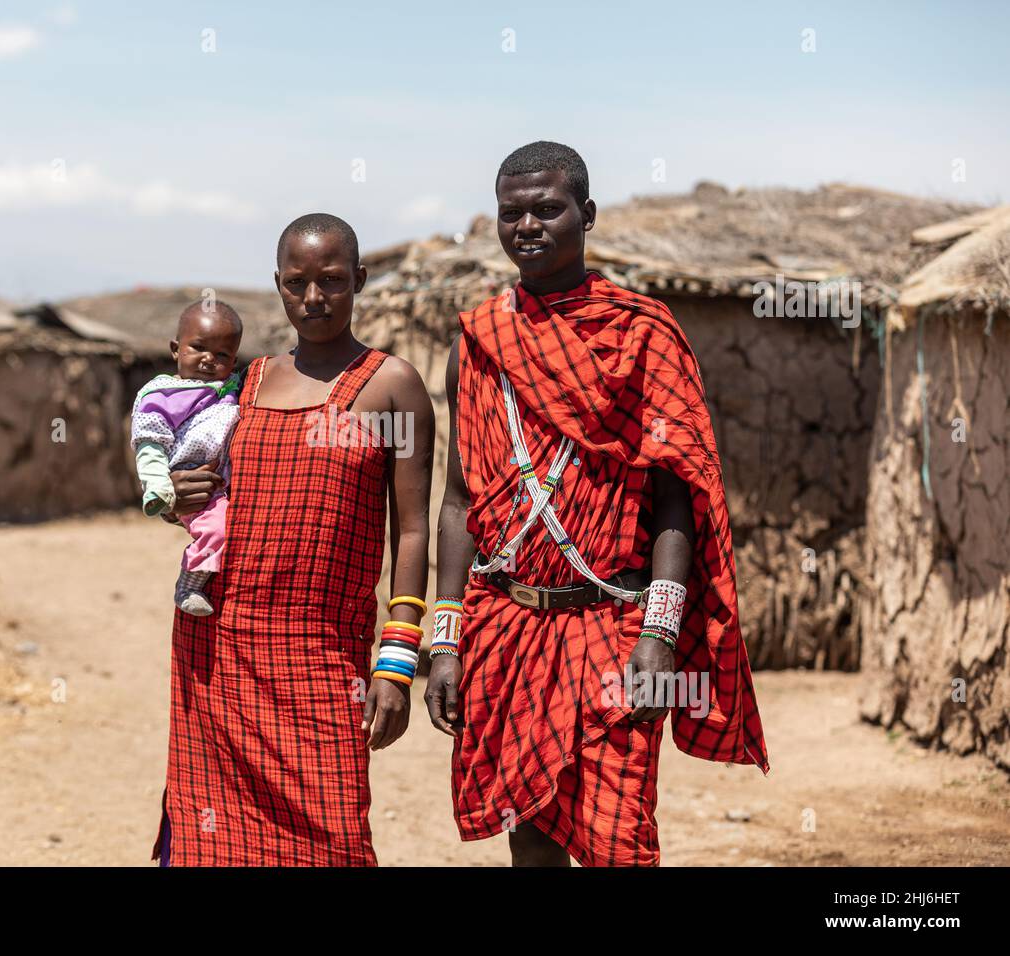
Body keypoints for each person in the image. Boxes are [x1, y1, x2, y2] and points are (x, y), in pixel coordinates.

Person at [426, 141, 770, 867]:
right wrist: (445, 640)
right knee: (529, 834)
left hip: (613, 623)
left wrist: (661, 632)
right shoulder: (480, 343)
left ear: (585, 214)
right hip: (507, 624)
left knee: (620, 841)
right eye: (510, 213)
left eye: (547, 209)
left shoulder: (643, 335)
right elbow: (457, 503)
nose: (528, 226)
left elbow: (681, 498)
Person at [154, 212, 436, 866]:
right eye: (297, 283)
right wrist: (181, 498)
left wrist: (397, 660)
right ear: (278, 286)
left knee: (331, 838)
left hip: (320, 653)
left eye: (332, 281)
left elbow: (415, 530)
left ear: (360, 280)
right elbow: (201, 488)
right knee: (214, 841)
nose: (314, 298)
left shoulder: (391, 385)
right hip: (217, 646)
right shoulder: (245, 383)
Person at [129, 300, 242, 615]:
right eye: (199, 348)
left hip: (223, 482)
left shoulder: (232, 389)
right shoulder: (163, 395)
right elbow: (150, 442)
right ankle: (190, 583)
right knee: (218, 528)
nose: (209, 359)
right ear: (176, 349)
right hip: (189, 478)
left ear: (234, 360)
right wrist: (158, 487)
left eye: (222, 355)